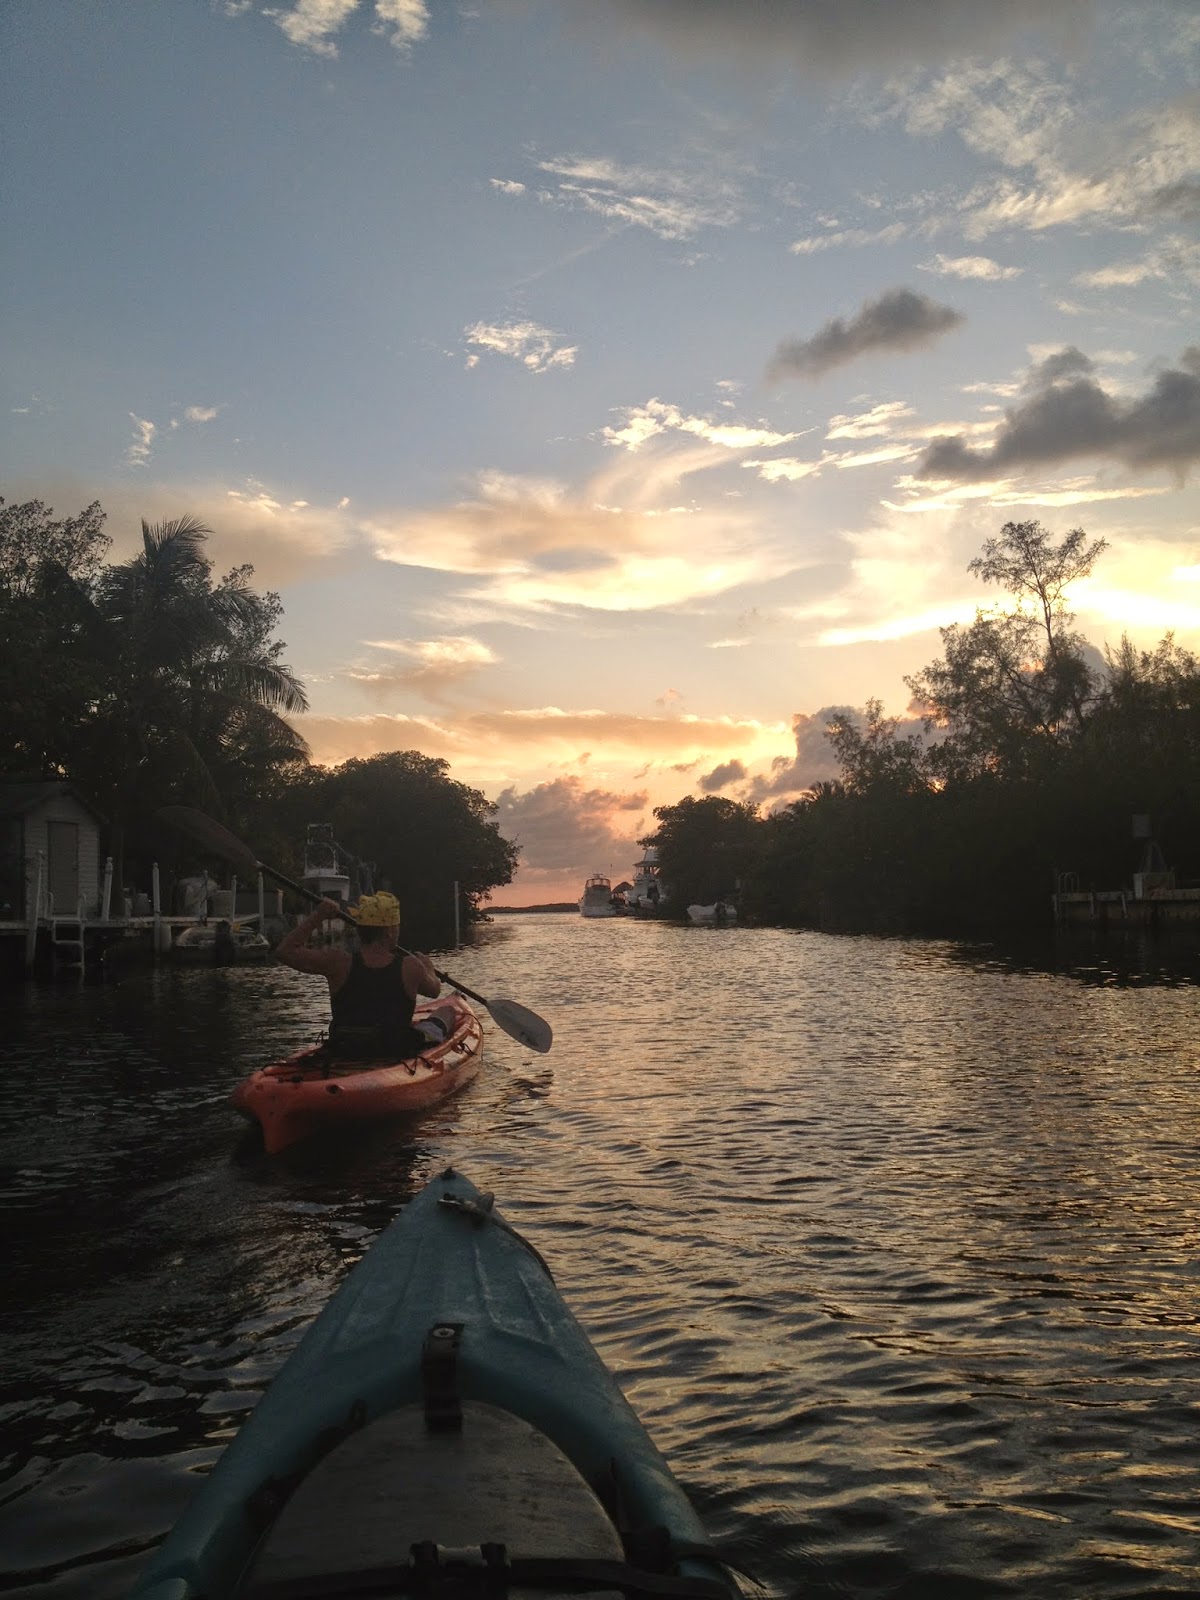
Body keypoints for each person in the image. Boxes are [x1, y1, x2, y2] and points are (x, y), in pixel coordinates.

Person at [275, 891, 458, 1061]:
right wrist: (429, 968)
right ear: (389, 932)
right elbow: (434, 990)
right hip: (395, 1049)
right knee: (448, 1011)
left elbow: (285, 951)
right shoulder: (411, 966)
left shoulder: (338, 962)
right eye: (397, 927)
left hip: (345, 1047)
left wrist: (318, 916)